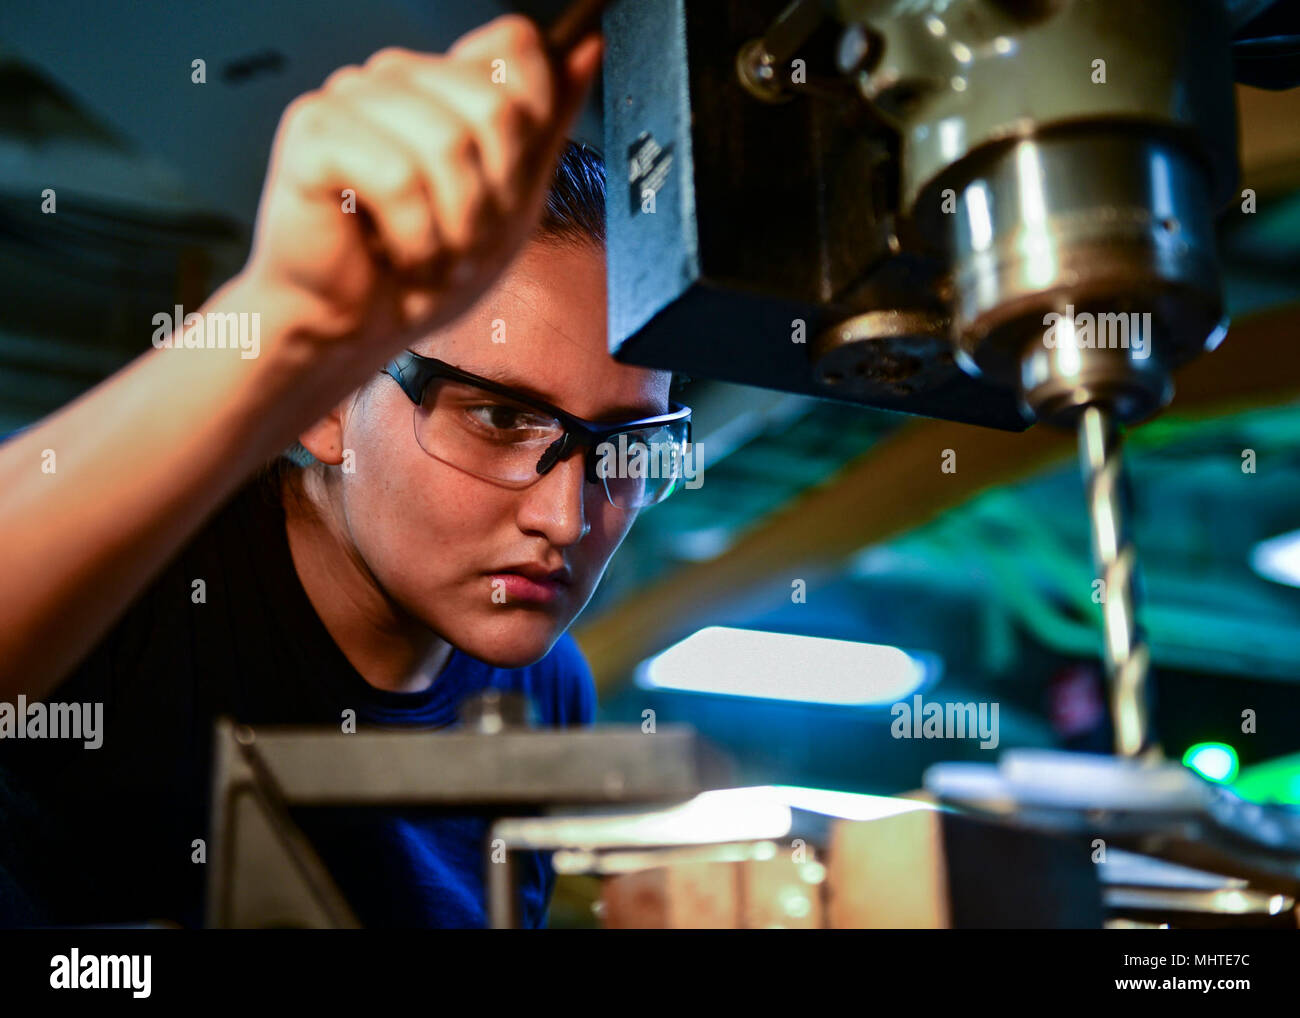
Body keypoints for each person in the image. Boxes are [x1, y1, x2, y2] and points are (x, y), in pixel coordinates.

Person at [0, 14, 690, 928]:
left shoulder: (546, 693)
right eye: (498, 418)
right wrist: (284, 313)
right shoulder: (131, 592)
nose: (566, 518)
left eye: (626, 448)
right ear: (325, 406)